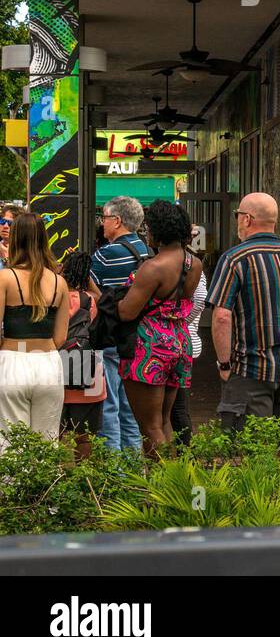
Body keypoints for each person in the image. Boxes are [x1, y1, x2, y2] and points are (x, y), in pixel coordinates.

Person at [211, 193, 280, 473]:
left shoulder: (235, 259)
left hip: (250, 370)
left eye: (238, 216)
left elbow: (221, 317)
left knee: (251, 453)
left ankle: (257, 514)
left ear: (247, 219)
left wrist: (224, 364)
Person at [115, 200, 203, 459]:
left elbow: (127, 312)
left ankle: (162, 489)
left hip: (150, 346)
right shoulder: (193, 264)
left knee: (149, 427)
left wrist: (113, 298)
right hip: (179, 339)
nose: (147, 234)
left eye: (148, 229)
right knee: (164, 422)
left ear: (157, 230)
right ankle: (172, 485)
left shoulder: (152, 268)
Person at [0, 212, 69, 448]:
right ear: (44, 239)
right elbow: (61, 337)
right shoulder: (59, 282)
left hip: (12, 362)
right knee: (47, 444)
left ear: (16, 238)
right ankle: (46, 487)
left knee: (10, 445)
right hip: (48, 364)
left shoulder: (5, 278)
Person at [89, 197, 149, 451]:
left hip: (110, 337)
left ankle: (114, 476)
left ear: (117, 221)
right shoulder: (146, 249)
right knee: (131, 410)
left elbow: (85, 283)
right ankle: (135, 474)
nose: (102, 223)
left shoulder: (107, 253)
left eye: (104, 217)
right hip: (138, 337)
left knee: (108, 406)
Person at [58, 251, 105, 460]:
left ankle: (56, 479)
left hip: (58, 369)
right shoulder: (91, 300)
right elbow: (104, 301)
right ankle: (84, 482)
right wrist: (88, 278)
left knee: (55, 433)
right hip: (87, 371)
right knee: (84, 436)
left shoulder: (53, 297)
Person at [169, 231, 207, 446]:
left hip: (176, 341)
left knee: (175, 406)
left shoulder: (190, 265)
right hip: (183, 341)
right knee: (177, 405)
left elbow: (200, 298)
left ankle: (181, 456)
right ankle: (182, 456)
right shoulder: (192, 264)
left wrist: (178, 320)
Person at [0, 202, 26, 268]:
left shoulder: (26, 252)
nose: (5, 226)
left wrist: (6, 258)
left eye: (10, 223)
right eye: (2, 221)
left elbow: (20, 277)